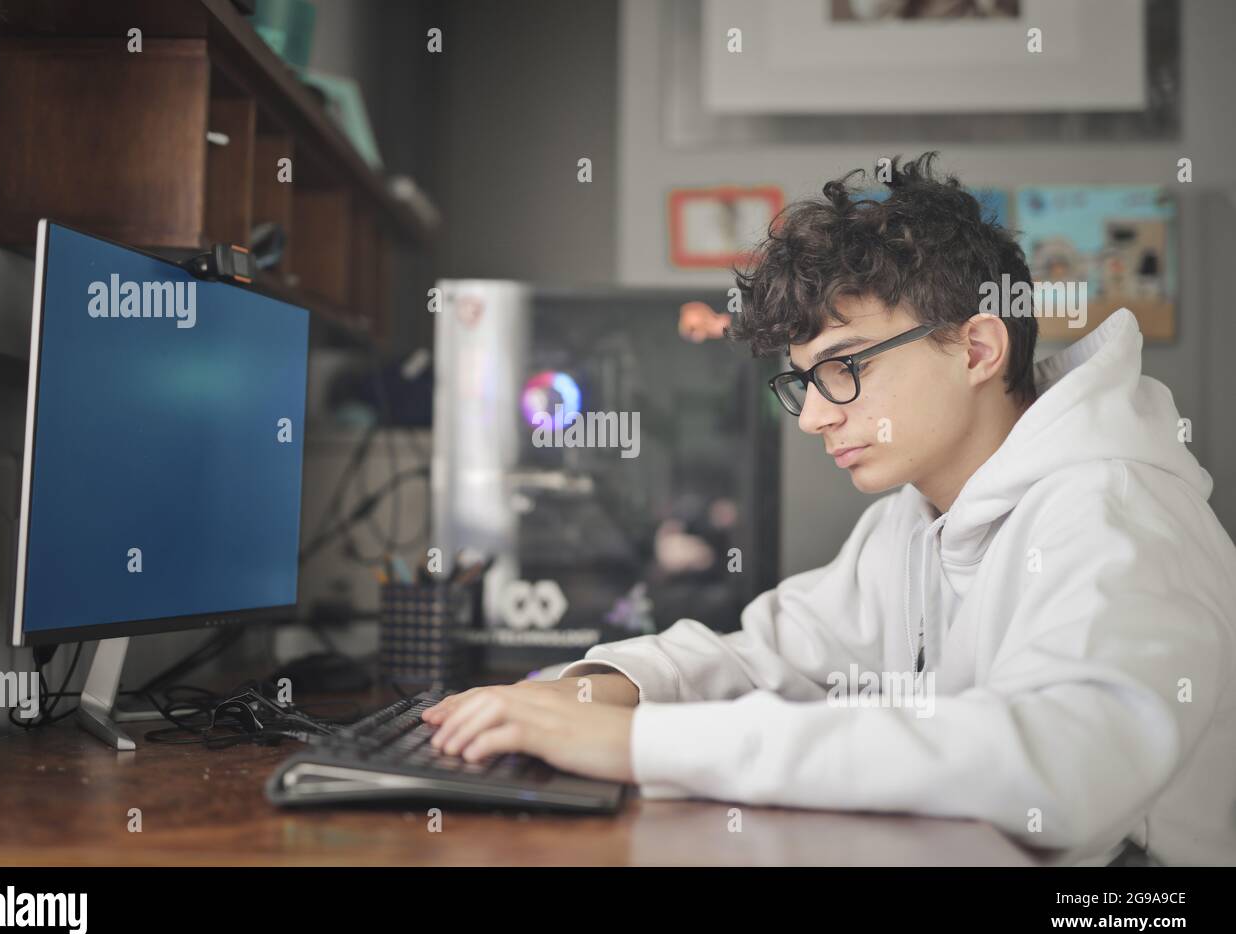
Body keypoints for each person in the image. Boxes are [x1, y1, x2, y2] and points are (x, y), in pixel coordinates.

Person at [421, 153, 1236, 866]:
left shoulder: (1117, 514)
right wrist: (601, 687)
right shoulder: (916, 515)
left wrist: (637, 746)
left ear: (979, 349)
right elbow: (774, 653)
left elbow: (1059, 769)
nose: (812, 417)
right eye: (802, 381)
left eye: (843, 368)